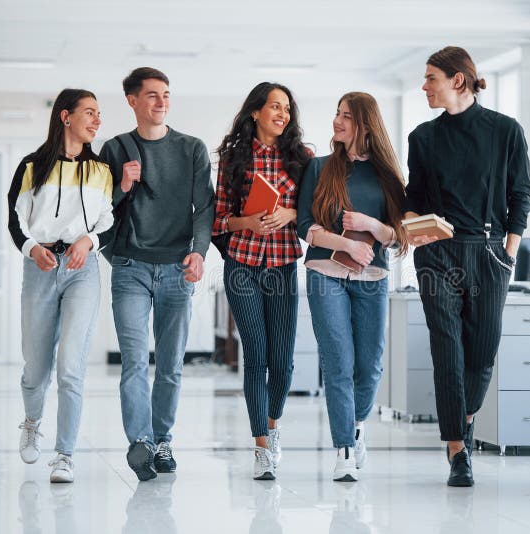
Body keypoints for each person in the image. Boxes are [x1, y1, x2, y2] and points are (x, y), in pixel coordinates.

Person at [405, 46, 530, 486]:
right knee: (446, 345)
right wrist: (412, 224)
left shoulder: (505, 131)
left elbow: (521, 195)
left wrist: (509, 251)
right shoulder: (422, 137)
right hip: (437, 252)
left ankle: (466, 419)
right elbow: (413, 198)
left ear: (458, 80)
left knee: (482, 349)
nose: (424, 86)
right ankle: (458, 449)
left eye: (430, 78)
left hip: (489, 251)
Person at [99, 67, 215, 481]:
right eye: (151, 95)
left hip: (177, 269)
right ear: (132, 101)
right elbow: (97, 213)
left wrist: (198, 253)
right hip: (129, 268)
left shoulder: (192, 149)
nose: (161, 102)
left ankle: (162, 438)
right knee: (134, 361)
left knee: (169, 364)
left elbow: (205, 209)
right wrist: (121, 187)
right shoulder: (114, 150)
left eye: (165, 94)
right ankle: (141, 441)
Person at [297, 92, 407, 482]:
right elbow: (304, 226)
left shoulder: (387, 175)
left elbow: (399, 234)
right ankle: (344, 447)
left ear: (365, 124)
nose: (337, 121)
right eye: (337, 114)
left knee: (370, 364)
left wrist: (374, 227)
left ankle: (356, 425)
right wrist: (346, 243)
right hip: (326, 273)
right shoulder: (319, 167)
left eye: (346, 116)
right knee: (338, 363)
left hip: (373, 277)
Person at [7, 88, 114, 483]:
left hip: (81, 270)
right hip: (41, 266)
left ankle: (65, 455)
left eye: (99, 114)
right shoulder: (32, 166)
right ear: (65, 116)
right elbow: (15, 220)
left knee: (71, 365)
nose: (97, 120)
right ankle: (32, 421)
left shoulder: (101, 171)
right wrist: (33, 249)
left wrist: (89, 241)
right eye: (90, 112)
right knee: (36, 367)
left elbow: (107, 219)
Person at [213, 82, 312, 480]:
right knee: (256, 355)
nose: (282, 114)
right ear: (255, 111)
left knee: (283, 361)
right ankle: (259, 447)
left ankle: (272, 426)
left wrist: (289, 215)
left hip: (284, 265)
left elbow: (311, 212)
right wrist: (246, 222)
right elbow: (219, 218)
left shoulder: (303, 158)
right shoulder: (233, 157)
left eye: (287, 108)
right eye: (275, 106)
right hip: (242, 265)